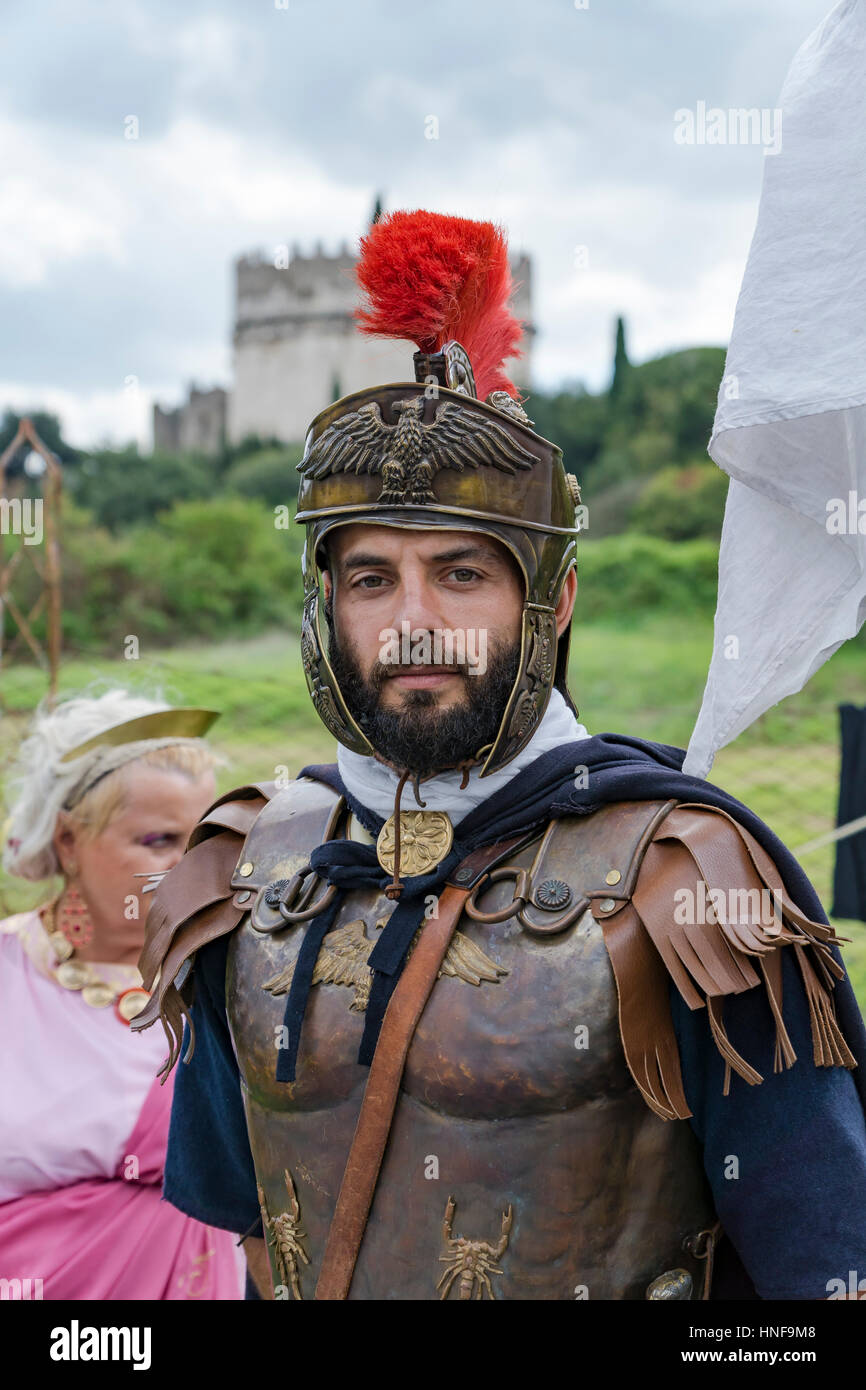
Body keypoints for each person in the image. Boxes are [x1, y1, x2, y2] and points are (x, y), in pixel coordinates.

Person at [135, 210, 866, 1301]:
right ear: (324, 607)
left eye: (462, 574)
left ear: (552, 600)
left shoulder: (688, 882)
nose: (413, 622)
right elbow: (251, 1238)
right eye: (370, 578)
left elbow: (826, 1275)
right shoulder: (249, 868)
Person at [0, 690, 245, 1300]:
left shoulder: (237, 981)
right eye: (158, 841)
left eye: (202, 841)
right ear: (66, 841)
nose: (188, 871)